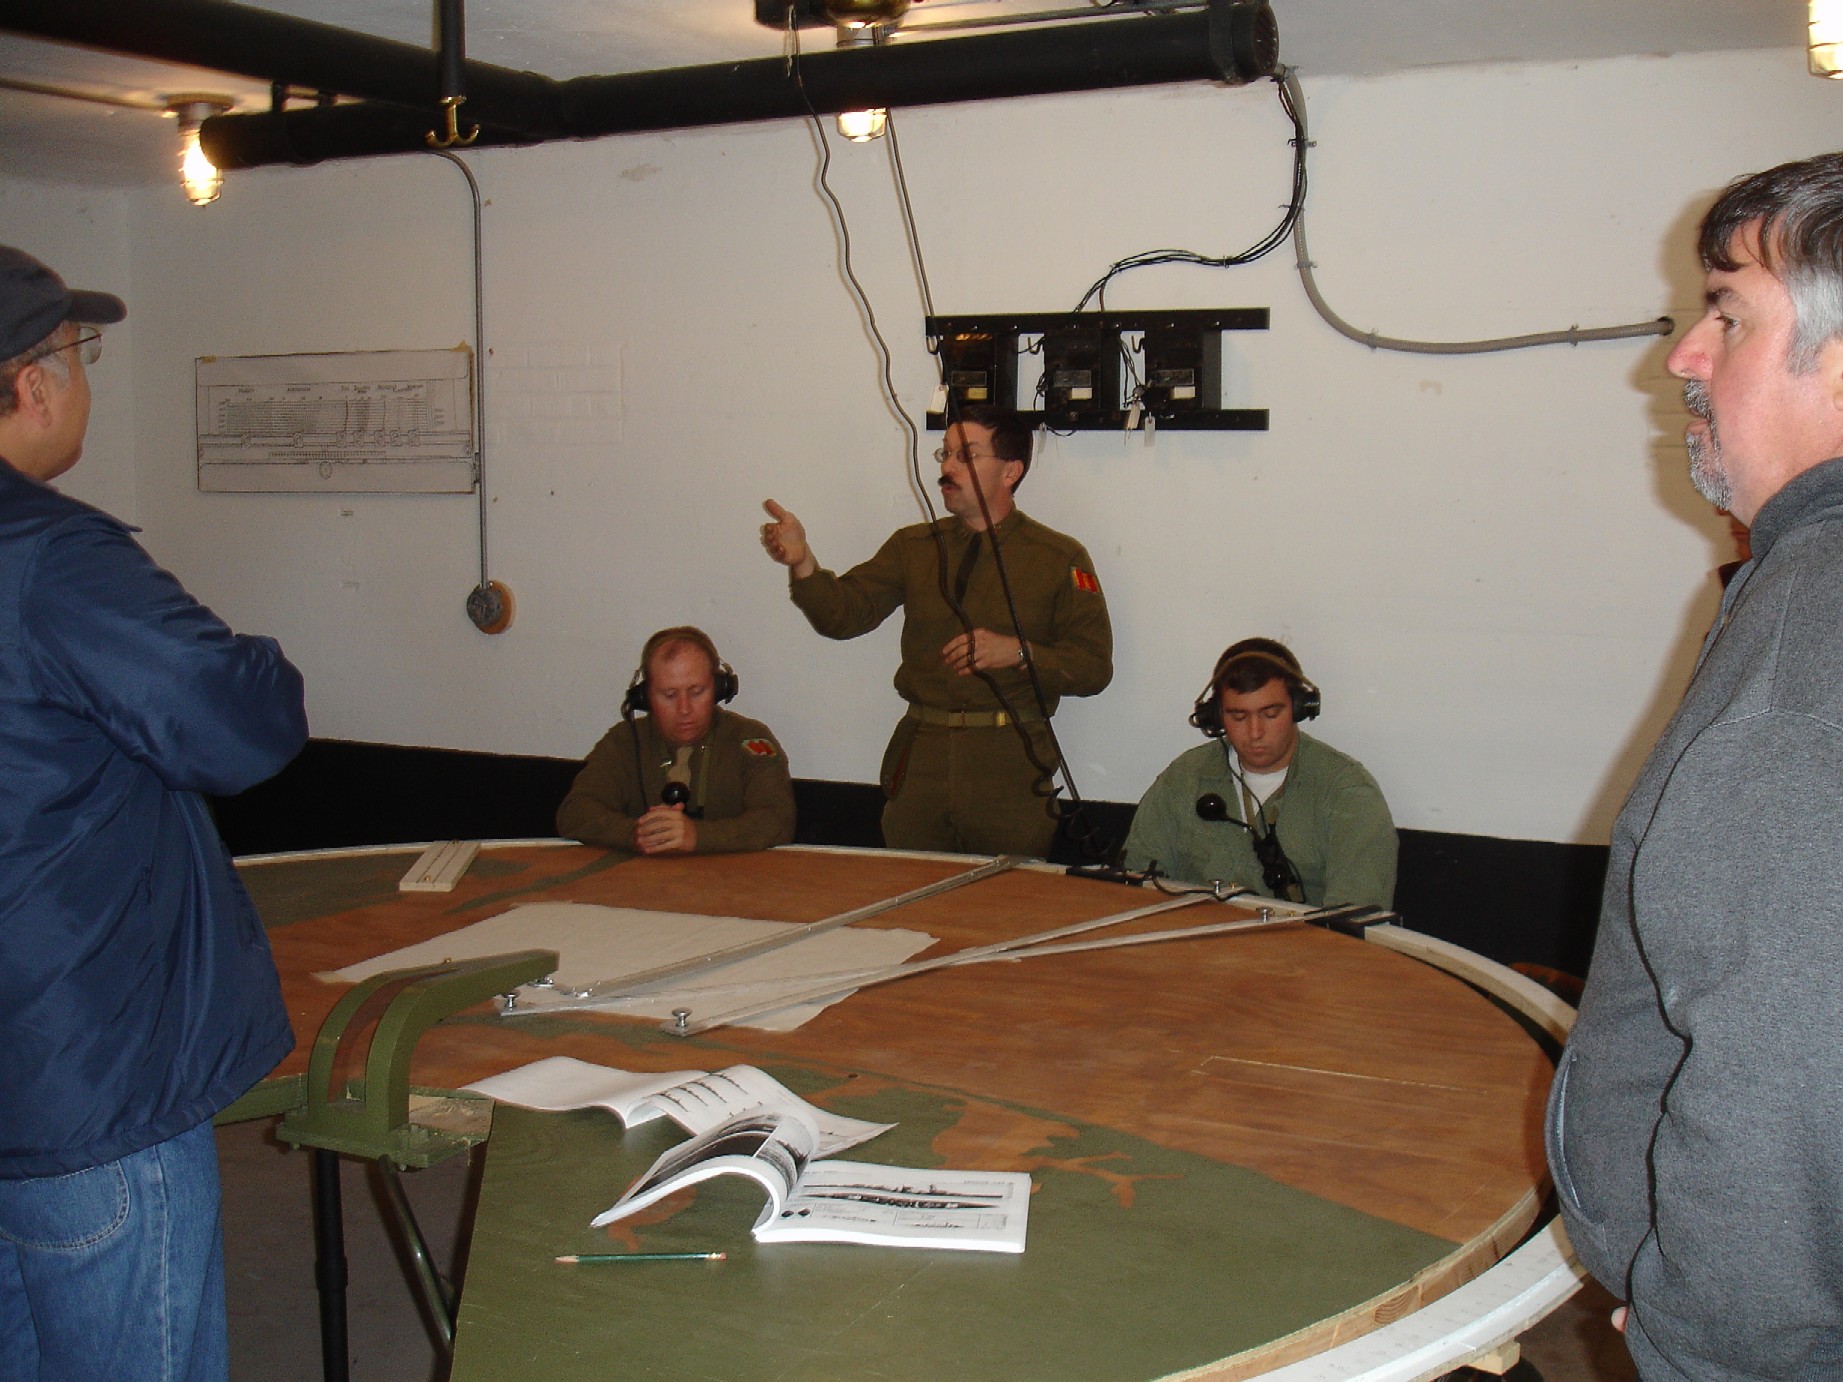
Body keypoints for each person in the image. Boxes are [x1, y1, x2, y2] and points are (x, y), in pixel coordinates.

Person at [1547, 151, 1843, 1379]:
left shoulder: (1814, 631)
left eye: (1726, 311)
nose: (1680, 354)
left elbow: (1786, 1051)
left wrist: (1715, 1341)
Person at [0, 247, 308, 1380]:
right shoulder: (50, 558)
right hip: (82, 1073)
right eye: (79, 356)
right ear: (33, 382)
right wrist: (260, 662)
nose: (82, 379)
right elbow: (235, 722)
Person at [759, 404, 1112, 858]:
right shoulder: (915, 547)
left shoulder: (1057, 557)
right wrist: (803, 563)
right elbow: (843, 616)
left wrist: (1020, 653)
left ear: (1010, 471)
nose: (947, 467)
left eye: (966, 456)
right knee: (910, 904)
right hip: (921, 760)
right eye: (944, 454)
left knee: (1007, 905)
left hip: (1007, 766)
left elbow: (1093, 668)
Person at [1121, 639, 1395, 908]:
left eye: (1270, 713)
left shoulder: (1346, 792)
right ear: (1215, 717)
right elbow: (1136, 888)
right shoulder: (1184, 779)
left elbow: (1354, 921)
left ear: (1299, 708)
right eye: (1238, 717)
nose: (1255, 732)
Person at [557, 626, 795, 856]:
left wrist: (699, 837)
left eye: (696, 692)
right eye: (669, 695)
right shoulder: (624, 742)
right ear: (645, 697)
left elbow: (777, 820)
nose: (684, 709)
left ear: (719, 689)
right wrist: (635, 833)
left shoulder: (749, 740)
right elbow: (575, 813)